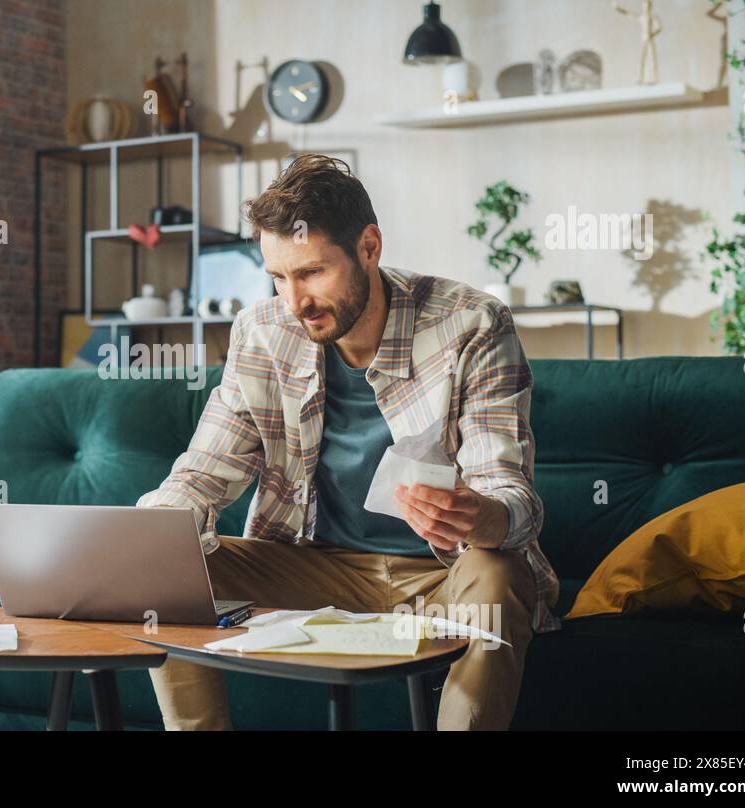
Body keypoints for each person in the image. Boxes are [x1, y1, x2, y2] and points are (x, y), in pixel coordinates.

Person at [136, 154, 560, 731]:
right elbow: (203, 472)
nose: (294, 301)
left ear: (369, 247)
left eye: (311, 273)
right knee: (165, 568)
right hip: (314, 570)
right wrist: (148, 532)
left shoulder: (472, 326)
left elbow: (513, 497)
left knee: (499, 572)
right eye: (278, 277)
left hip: (439, 576)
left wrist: (478, 515)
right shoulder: (261, 332)